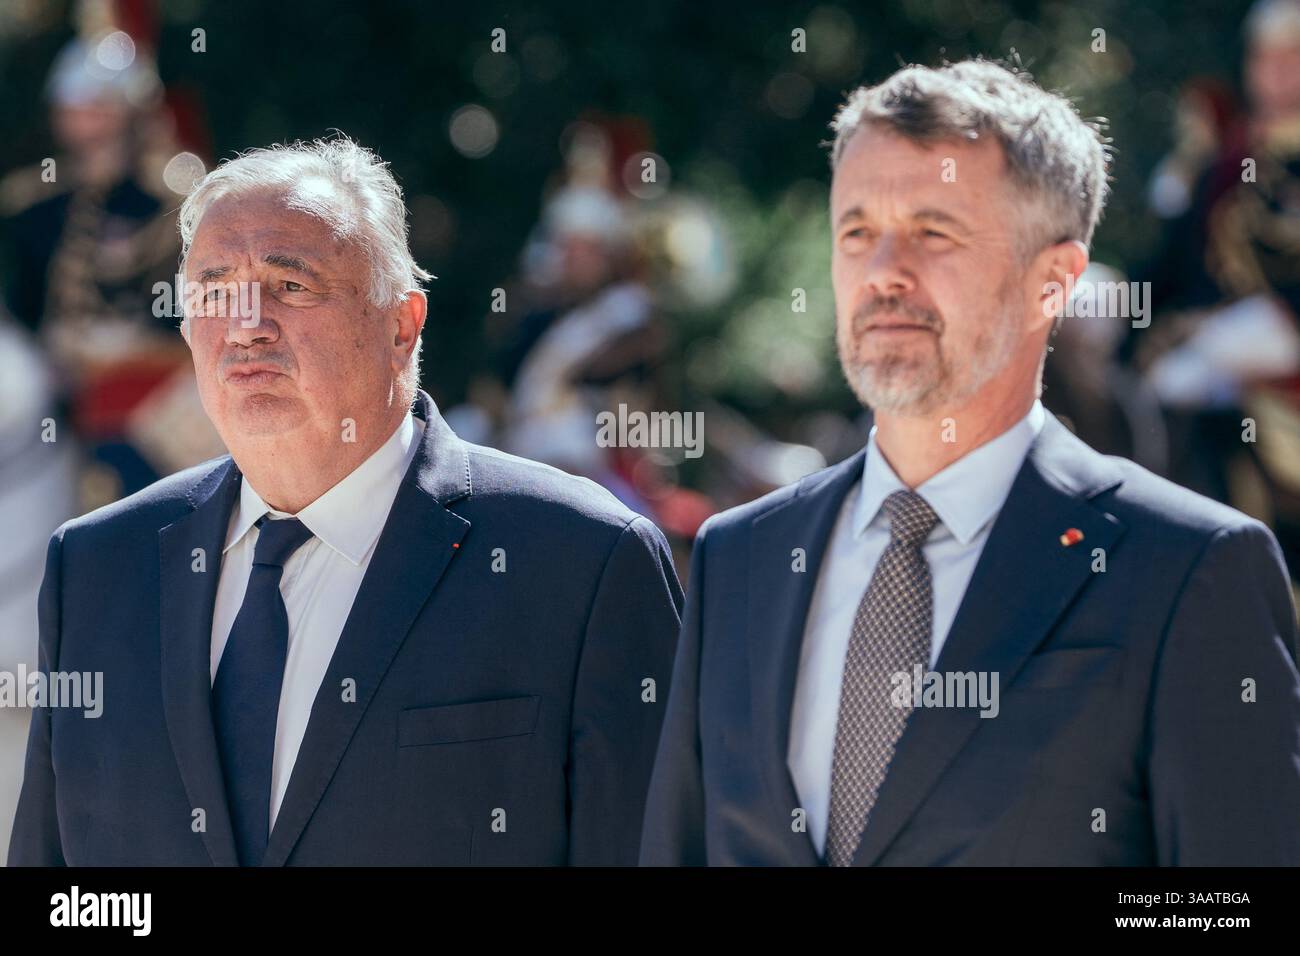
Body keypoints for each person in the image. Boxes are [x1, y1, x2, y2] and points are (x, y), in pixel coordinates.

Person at [640, 59, 1300, 866]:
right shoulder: (737, 559)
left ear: (1051, 281)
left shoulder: (1190, 570)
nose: (884, 271)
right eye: (856, 231)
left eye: (933, 230)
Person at [8, 136, 682, 866]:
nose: (247, 324)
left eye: (291, 286)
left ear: (401, 327)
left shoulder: (581, 564)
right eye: (213, 289)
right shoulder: (97, 569)